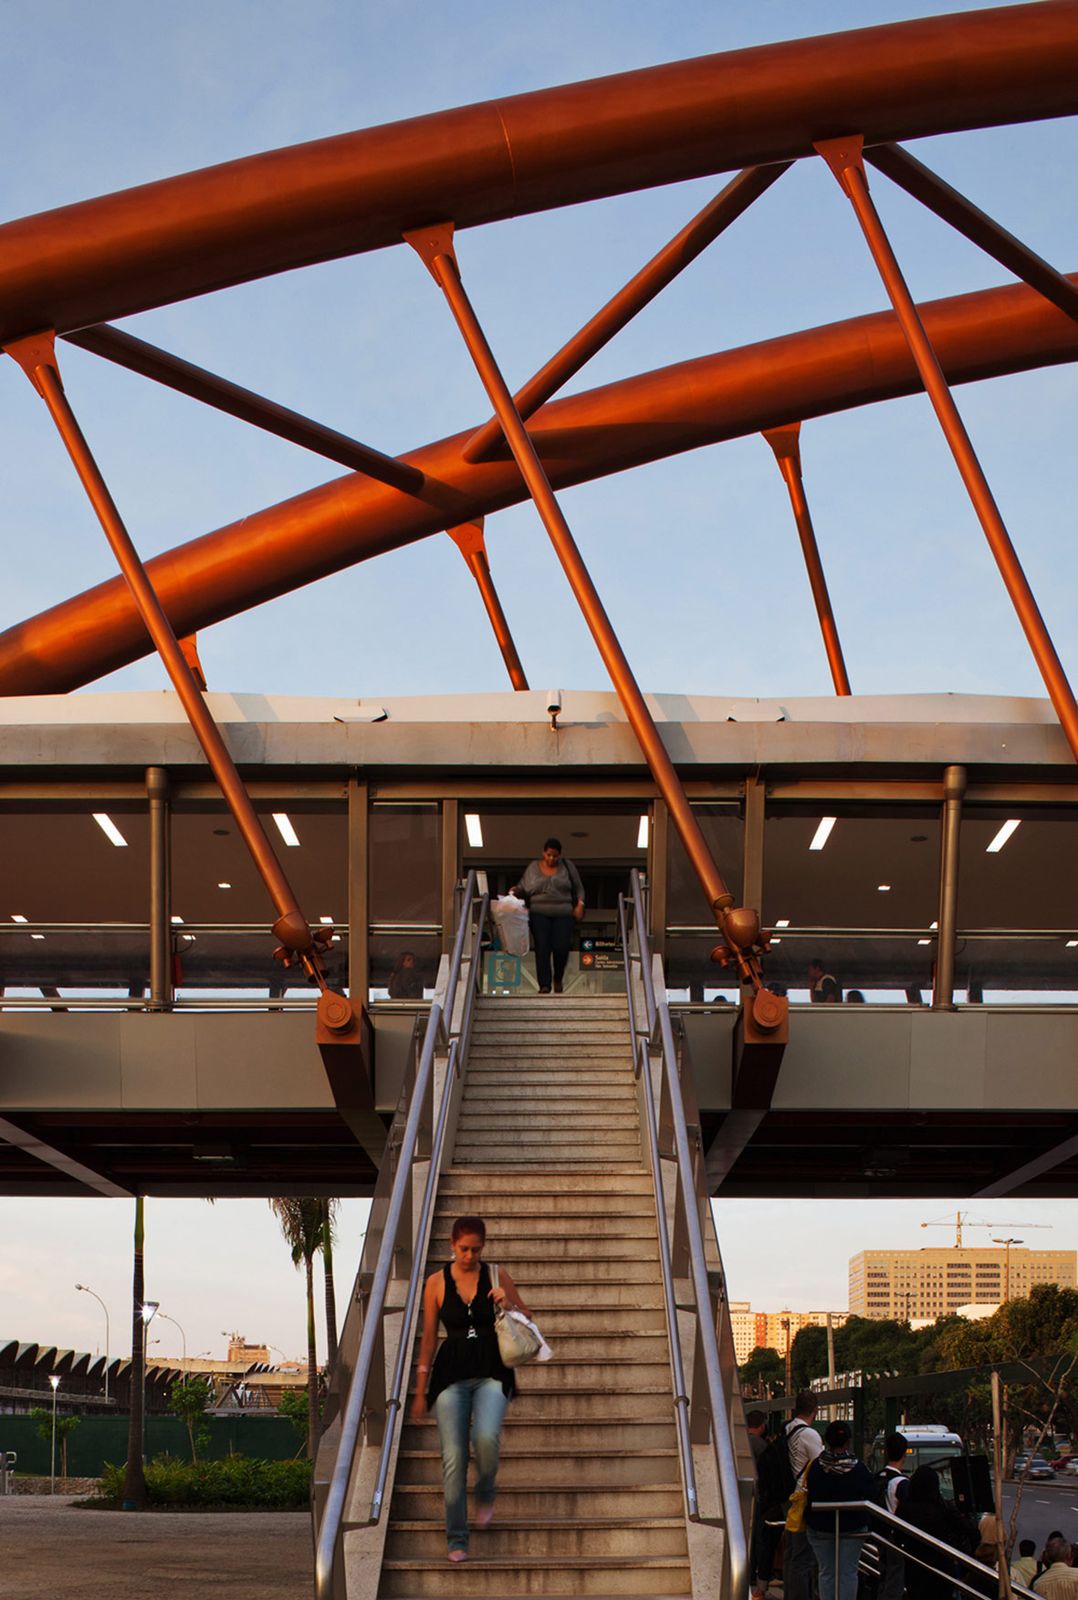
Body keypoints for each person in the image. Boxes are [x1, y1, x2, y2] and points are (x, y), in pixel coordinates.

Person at [410, 1215, 529, 1562]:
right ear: (452, 1244)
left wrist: (508, 1304)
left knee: (486, 1438)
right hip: (451, 1376)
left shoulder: (496, 1275)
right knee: (454, 1457)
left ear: (483, 1247)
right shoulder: (436, 1283)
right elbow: (428, 1339)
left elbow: (528, 1318)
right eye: (463, 1249)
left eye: (476, 1249)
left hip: (493, 1372)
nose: (469, 1255)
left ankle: (486, 1491)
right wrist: (420, 1390)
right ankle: (457, 1538)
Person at [805, 1419, 875, 1600]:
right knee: (848, 1572)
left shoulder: (816, 1467)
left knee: (826, 1571)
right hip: (852, 1528)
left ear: (827, 1441)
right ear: (848, 1442)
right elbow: (871, 1492)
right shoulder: (859, 1468)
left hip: (820, 1526)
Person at [512, 837, 584, 995]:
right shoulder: (533, 868)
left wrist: (580, 904)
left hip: (563, 913)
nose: (551, 859)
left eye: (555, 856)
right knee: (542, 947)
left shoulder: (567, 866)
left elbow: (579, 888)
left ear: (560, 855)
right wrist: (515, 891)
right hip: (539, 913)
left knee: (561, 947)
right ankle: (544, 984)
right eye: (549, 855)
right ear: (543, 853)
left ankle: (558, 978)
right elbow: (523, 887)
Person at [898, 1463, 978, 1600]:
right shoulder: (943, 1508)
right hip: (942, 1569)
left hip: (914, 1568)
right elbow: (971, 1530)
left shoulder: (904, 1509)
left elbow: (898, 1535)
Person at [783, 1392, 824, 1600]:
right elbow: (821, 1465)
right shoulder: (809, 1434)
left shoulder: (787, 1429)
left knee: (791, 1555)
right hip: (802, 1499)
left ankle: (790, 1595)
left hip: (789, 1497)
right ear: (815, 1411)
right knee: (803, 1558)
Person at [746, 1409, 782, 1598]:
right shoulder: (762, 1446)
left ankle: (749, 1572)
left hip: (744, 1495)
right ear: (761, 1426)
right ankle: (762, 1575)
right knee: (762, 1538)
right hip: (760, 1497)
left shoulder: (741, 1442)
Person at [873, 1431, 910, 1600]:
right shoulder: (901, 1482)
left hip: (879, 1535)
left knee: (884, 1574)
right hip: (896, 1538)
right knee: (895, 1578)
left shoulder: (877, 1477)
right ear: (904, 1454)